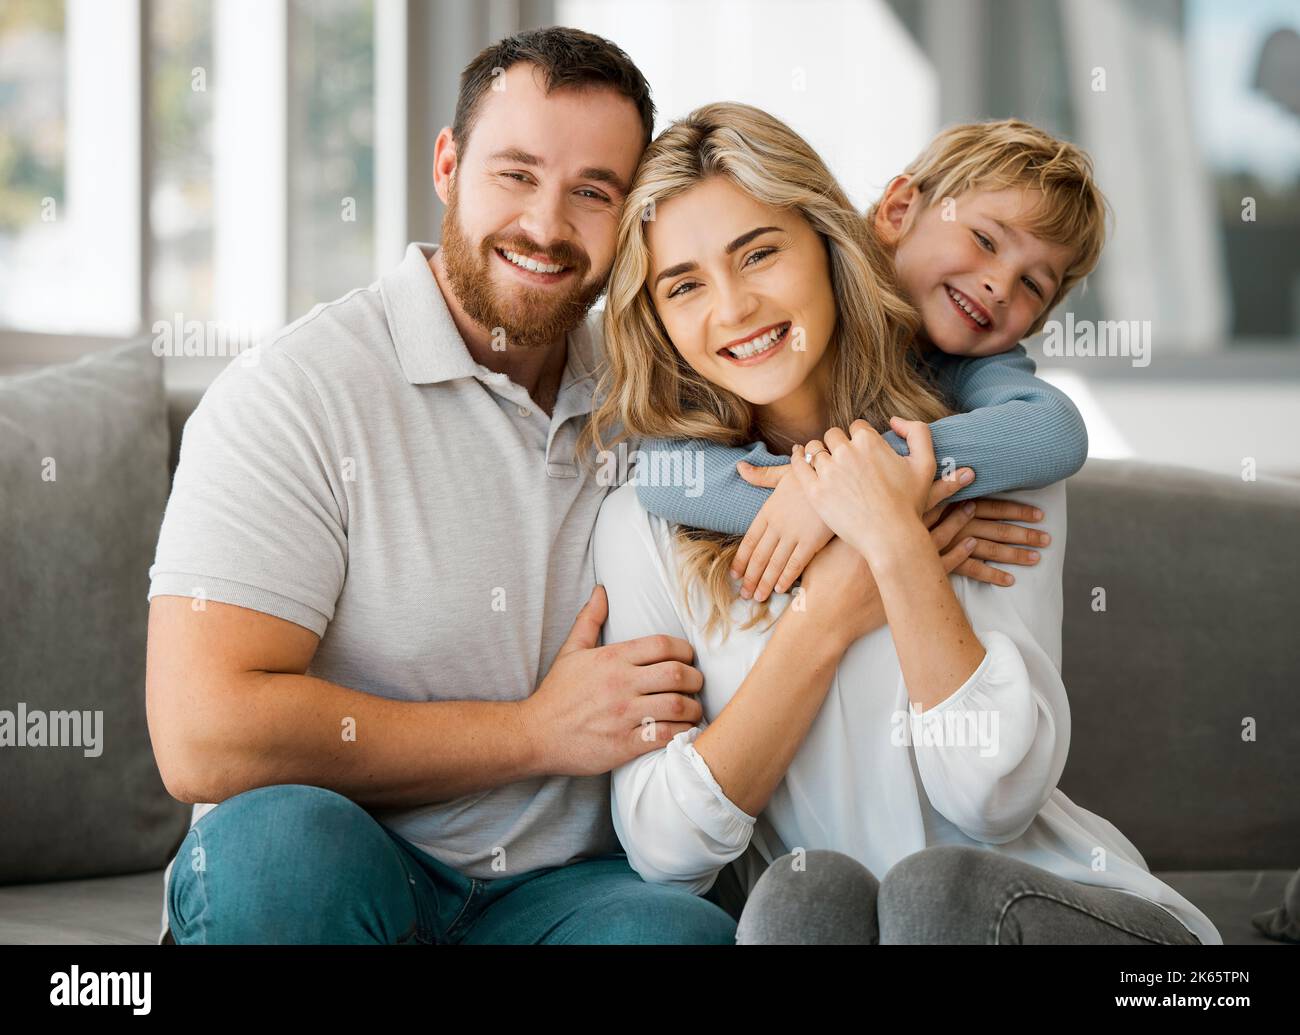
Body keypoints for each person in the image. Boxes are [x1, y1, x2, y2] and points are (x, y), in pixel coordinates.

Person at [145, 26, 739, 946]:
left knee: (678, 935)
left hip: (571, 895)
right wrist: (536, 732)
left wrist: (893, 505)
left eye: (593, 192)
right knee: (277, 853)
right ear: (448, 166)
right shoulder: (296, 392)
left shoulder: (660, 387)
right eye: (516, 173)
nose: (546, 226)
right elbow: (202, 734)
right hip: (347, 870)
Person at [584, 102, 1222, 945]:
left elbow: (993, 798)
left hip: (1052, 916)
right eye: (686, 284)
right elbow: (667, 846)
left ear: (828, 240)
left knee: (936, 892)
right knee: (799, 899)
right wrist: (830, 609)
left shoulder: (985, 464)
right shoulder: (648, 517)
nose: (734, 306)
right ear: (658, 316)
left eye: (761, 253)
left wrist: (888, 531)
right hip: (848, 923)